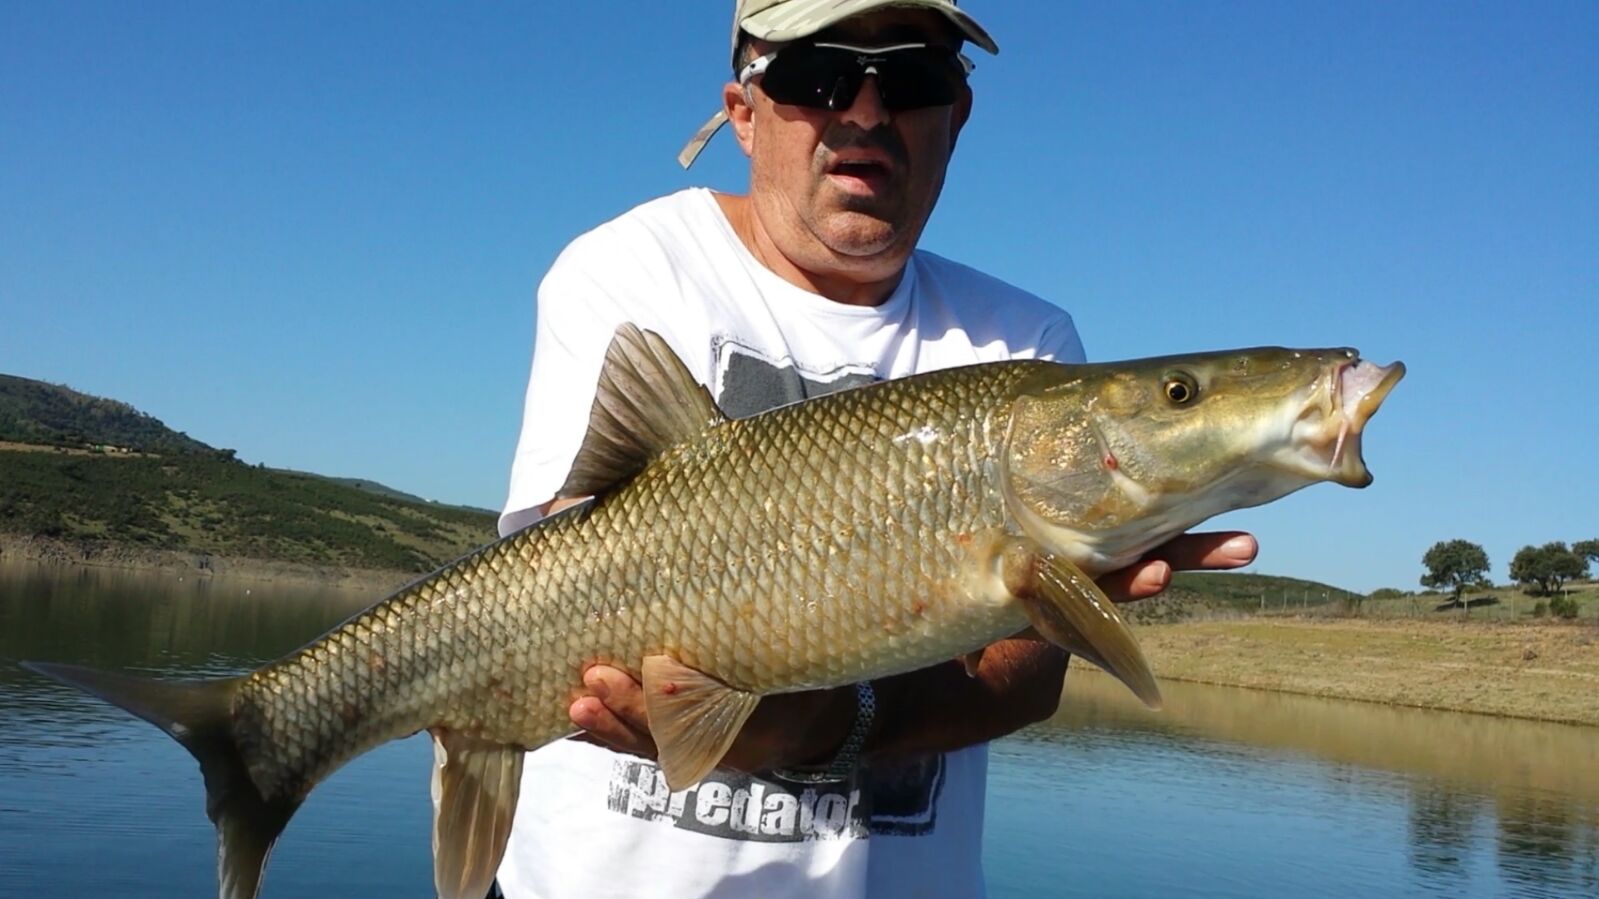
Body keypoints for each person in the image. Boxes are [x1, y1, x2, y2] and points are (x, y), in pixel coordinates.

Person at [493, 2, 1257, 896]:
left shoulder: (1026, 343)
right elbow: (564, 594)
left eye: (911, 77)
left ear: (956, 116)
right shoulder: (629, 268)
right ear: (743, 110)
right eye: (817, 74)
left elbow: (1025, 678)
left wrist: (809, 727)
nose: (864, 111)